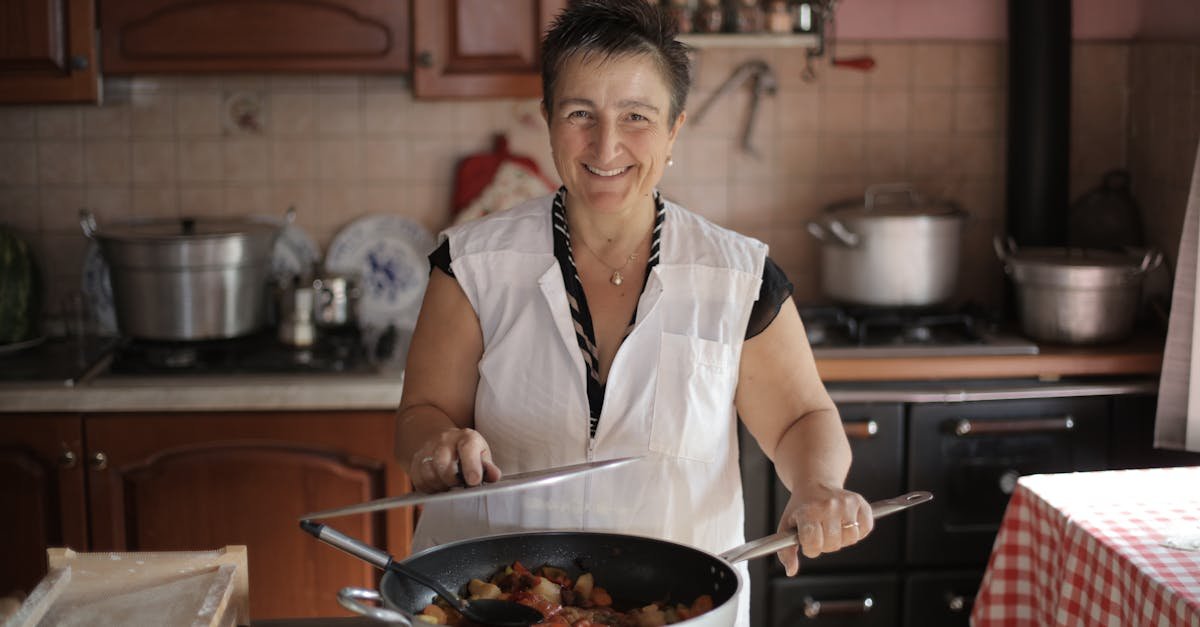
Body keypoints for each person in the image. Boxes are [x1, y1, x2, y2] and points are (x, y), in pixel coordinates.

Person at [395, 1, 871, 623]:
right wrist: (435, 443)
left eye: (636, 116)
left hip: (680, 606)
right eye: (579, 114)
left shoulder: (739, 278)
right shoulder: (469, 265)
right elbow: (421, 414)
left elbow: (801, 418)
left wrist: (816, 486)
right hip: (487, 603)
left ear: (674, 129)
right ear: (547, 119)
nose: (606, 144)